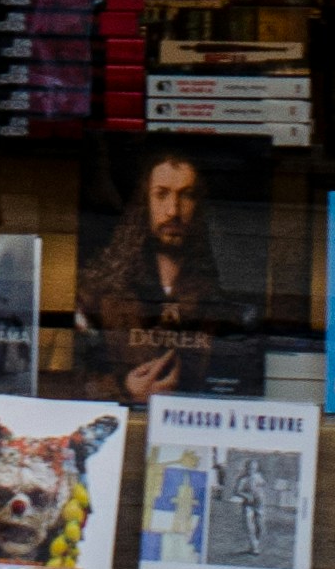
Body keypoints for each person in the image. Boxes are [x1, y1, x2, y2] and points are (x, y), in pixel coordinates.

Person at [76, 145, 248, 400]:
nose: (173, 211)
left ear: (199, 207)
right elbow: (73, 377)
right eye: (162, 194)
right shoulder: (98, 290)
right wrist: (124, 388)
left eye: (186, 195)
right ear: (145, 202)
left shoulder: (220, 297)